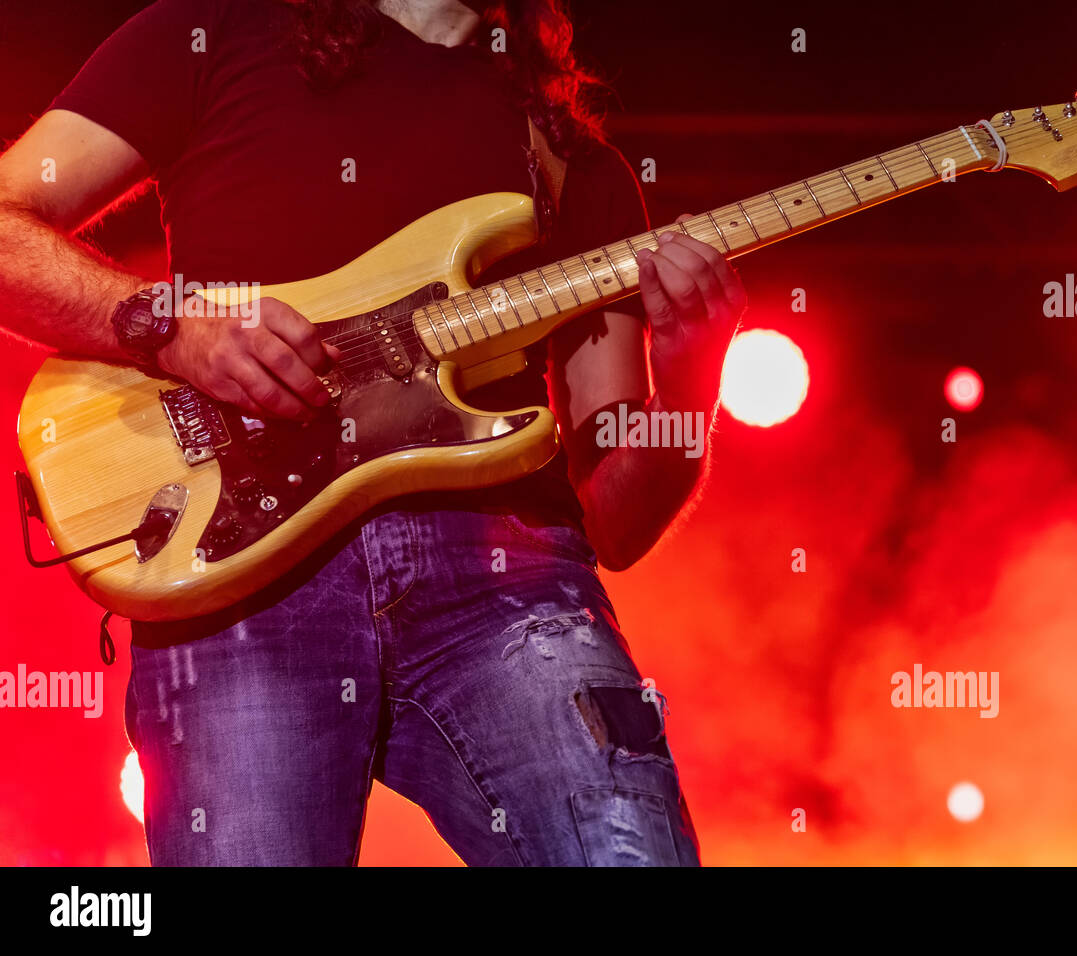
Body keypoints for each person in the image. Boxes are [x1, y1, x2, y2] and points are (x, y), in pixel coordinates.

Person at [0, 0, 746, 865]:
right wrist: (175, 326)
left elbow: (616, 521)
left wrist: (692, 379)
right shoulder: (207, 31)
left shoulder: (576, 166)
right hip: (245, 577)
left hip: (504, 583)